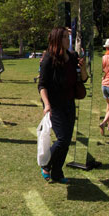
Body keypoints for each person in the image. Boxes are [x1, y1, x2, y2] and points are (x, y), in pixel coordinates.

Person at [38, 26, 87, 184]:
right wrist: (47, 105)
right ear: (57, 40)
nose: (68, 40)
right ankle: (46, 163)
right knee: (62, 139)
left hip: (69, 102)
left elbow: (83, 79)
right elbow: (42, 85)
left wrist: (84, 68)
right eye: (65, 37)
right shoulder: (48, 60)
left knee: (66, 141)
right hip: (55, 104)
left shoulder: (73, 57)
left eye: (68, 37)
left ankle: (57, 173)